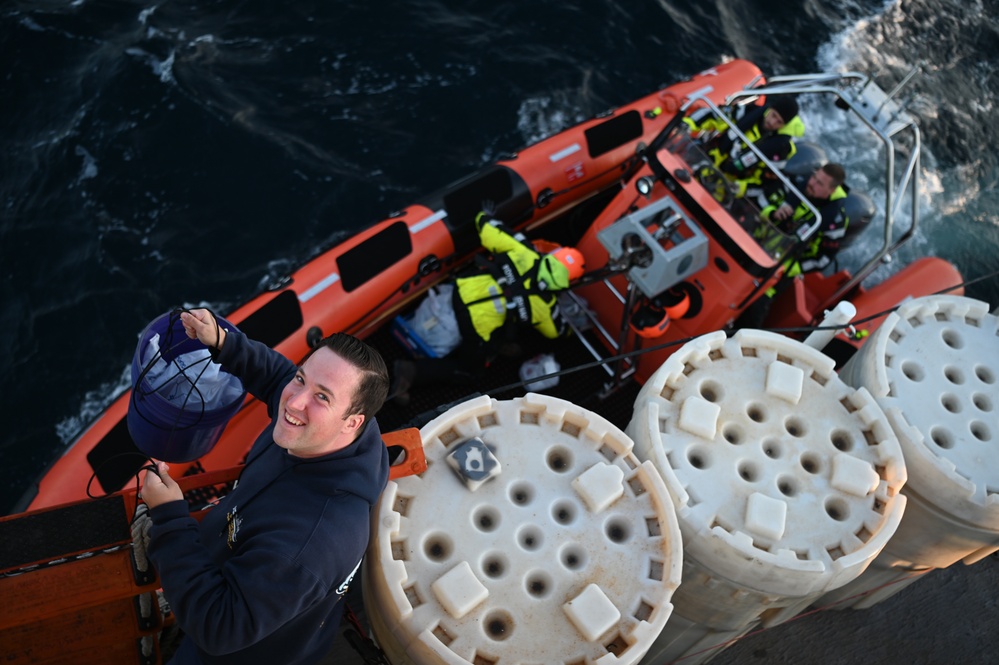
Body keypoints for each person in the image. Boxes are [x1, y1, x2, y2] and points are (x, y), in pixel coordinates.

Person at [141, 308, 390, 665]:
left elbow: (218, 627)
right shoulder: (334, 433)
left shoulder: (308, 543)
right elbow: (278, 379)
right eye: (302, 379)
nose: (294, 401)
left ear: (352, 422)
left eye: (322, 397)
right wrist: (225, 343)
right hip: (256, 587)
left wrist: (168, 517)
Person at [391, 206, 585, 400]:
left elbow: (486, 228)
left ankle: (497, 345)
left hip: (460, 291)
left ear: (553, 255)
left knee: (503, 326)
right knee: (472, 372)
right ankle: (410, 372)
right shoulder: (545, 306)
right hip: (474, 324)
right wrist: (573, 325)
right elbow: (556, 331)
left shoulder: (524, 251)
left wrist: (486, 214)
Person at [686, 95, 805, 198]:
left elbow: (763, 182)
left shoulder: (778, 151)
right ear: (770, 109)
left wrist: (740, 187)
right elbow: (713, 118)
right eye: (773, 116)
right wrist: (689, 125)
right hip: (704, 159)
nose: (772, 123)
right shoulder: (745, 112)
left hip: (722, 187)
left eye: (779, 122)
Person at [760, 161, 850, 275]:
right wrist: (773, 213)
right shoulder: (798, 183)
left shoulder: (836, 221)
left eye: (819, 184)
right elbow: (763, 201)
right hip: (757, 241)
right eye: (814, 177)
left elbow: (823, 260)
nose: (812, 183)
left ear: (832, 191)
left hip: (780, 268)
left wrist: (786, 269)